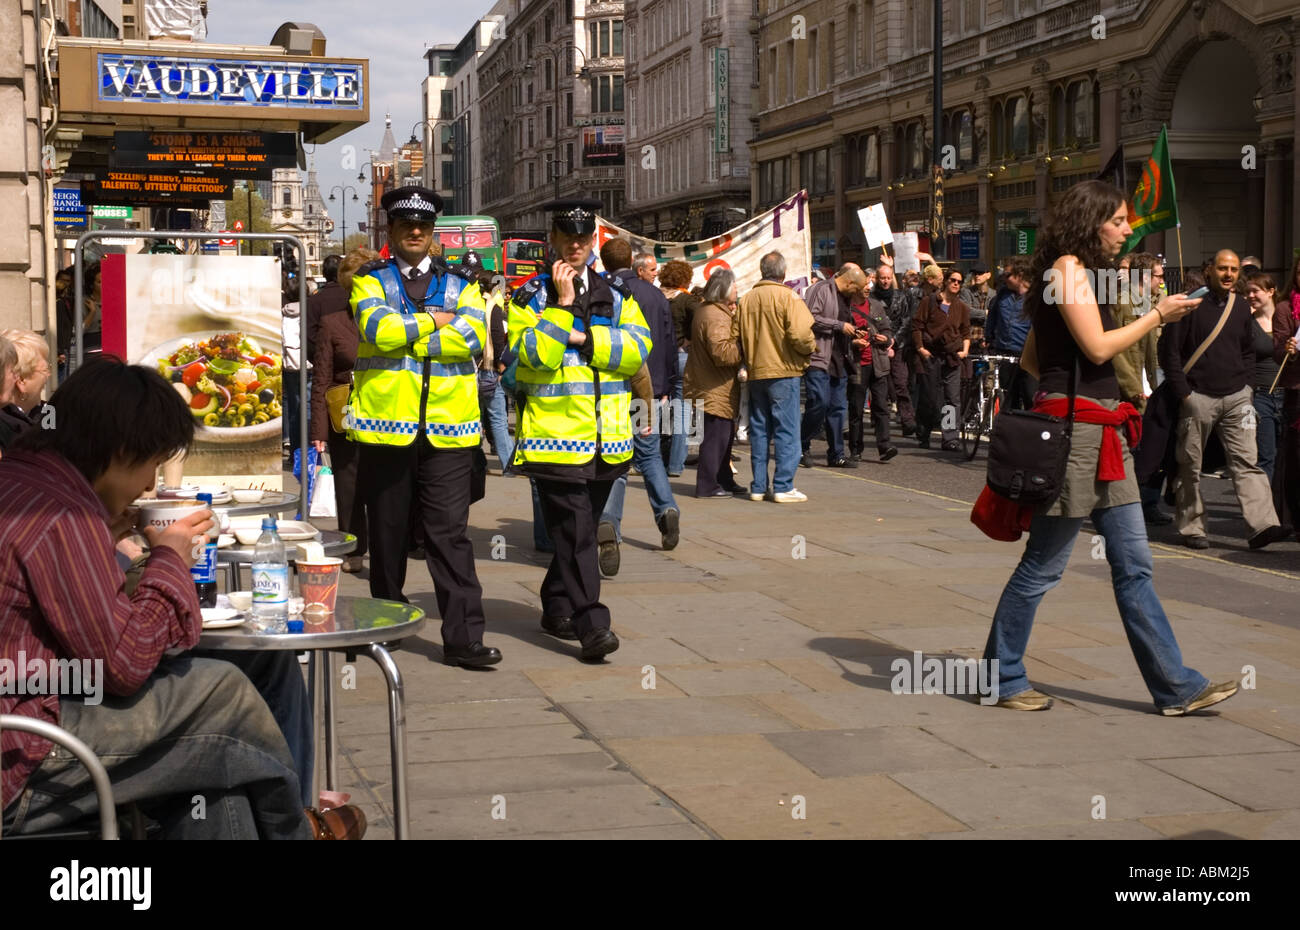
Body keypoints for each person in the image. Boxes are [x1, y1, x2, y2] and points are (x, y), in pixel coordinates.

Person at [0, 358, 365, 838]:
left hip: (53, 690)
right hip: (25, 749)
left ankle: (294, 823)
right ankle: (297, 829)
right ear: (122, 451)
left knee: (229, 748)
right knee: (222, 690)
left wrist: (112, 546)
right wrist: (170, 556)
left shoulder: (35, 481)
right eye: (151, 466)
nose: (150, 486)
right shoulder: (60, 513)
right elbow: (124, 665)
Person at [980, 179, 1238, 716]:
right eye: (1118, 220)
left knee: (1135, 565)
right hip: (1077, 436)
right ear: (1091, 219)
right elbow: (1096, 346)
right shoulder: (1068, 269)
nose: (1127, 230)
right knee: (1043, 568)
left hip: (1103, 434)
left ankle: (1176, 687)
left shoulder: (1077, 274)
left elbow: (1034, 359)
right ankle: (1000, 677)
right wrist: (1156, 316)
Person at [348, 186, 500, 669]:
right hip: (386, 429)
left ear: (432, 234)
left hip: (449, 432)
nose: (415, 232)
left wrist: (415, 331)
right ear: (391, 232)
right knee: (388, 536)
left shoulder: (462, 283)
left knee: (449, 534)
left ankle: (463, 638)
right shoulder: (369, 281)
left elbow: (475, 337)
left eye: (423, 226)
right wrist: (438, 322)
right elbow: (378, 331)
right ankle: (385, 625)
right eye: (405, 225)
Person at [507, 197, 650, 662]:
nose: (575, 246)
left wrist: (586, 339)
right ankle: (592, 623)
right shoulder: (529, 295)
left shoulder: (619, 293)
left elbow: (637, 350)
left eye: (583, 238)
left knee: (576, 534)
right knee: (578, 534)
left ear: (595, 240)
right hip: (554, 441)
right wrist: (563, 309)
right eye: (566, 239)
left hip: (607, 441)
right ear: (552, 241)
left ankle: (555, 604)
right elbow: (531, 357)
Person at [1160, 249, 1288, 551]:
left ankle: (1262, 526)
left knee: (1248, 462)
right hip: (1197, 397)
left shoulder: (1241, 308)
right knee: (1190, 466)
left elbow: (1247, 350)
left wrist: (1246, 386)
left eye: (1233, 269)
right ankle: (1193, 527)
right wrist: (1185, 394)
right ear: (1209, 271)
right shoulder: (1189, 305)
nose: (1229, 274)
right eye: (1222, 269)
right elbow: (1170, 353)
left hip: (1236, 398)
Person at [596, 243, 681, 567]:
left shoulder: (602, 291)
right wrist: (669, 384)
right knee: (649, 456)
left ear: (604, 261)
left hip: (614, 388)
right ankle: (666, 508)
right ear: (632, 262)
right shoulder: (656, 295)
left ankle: (609, 526)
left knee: (614, 460)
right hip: (651, 387)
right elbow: (669, 341)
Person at [310, 249, 378, 574]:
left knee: (382, 487)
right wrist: (318, 433)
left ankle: (386, 546)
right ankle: (353, 548)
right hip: (345, 414)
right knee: (349, 487)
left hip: (386, 412)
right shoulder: (332, 323)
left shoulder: (391, 320)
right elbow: (321, 379)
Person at [732, 251, 816, 503]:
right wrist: (810, 348)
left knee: (759, 429)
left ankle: (758, 486)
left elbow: (736, 335)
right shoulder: (788, 297)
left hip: (756, 370)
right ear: (783, 273)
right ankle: (783, 485)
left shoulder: (746, 300)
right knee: (786, 430)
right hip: (783, 370)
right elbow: (802, 335)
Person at [800, 264, 870, 469]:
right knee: (819, 403)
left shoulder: (847, 297)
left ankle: (836, 454)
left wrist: (854, 333)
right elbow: (810, 318)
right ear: (849, 282)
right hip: (818, 356)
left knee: (838, 408)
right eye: (856, 289)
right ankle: (801, 445)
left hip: (840, 358)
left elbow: (843, 323)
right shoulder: (820, 290)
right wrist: (839, 326)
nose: (858, 294)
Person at [685, 268, 745, 497]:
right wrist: (743, 347)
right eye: (735, 286)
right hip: (713, 386)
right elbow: (722, 353)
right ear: (725, 290)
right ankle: (708, 484)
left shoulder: (709, 310)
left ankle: (723, 480)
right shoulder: (714, 315)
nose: (737, 290)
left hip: (711, 383)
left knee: (724, 436)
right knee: (715, 438)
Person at [912, 267, 972, 451]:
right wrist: (921, 348)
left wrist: (965, 351)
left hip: (952, 357)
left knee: (952, 399)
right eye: (953, 280)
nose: (956, 284)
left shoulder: (961, 307)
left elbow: (966, 332)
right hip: (932, 355)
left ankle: (950, 438)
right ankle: (924, 433)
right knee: (929, 397)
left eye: (959, 282)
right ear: (945, 281)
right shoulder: (929, 302)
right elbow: (916, 326)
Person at [848, 286, 897, 463]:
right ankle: (855, 449)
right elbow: (842, 336)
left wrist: (886, 338)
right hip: (858, 365)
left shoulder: (876, 306)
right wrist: (854, 342)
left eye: (868, 287)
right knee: (856, 408)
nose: (867, 289)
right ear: (854, 288)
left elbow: (887, 329)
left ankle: (885, 447)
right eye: (863, 287)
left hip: (879, 363)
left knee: (881, 407)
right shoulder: (846, 307)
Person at [659, 259, 700, 467]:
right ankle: (675, 463)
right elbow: (700, 322)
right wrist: (688, 341)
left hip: (657, 358)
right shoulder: (687, 301)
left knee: (654, 406)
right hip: (681, 355)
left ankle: (647, 459)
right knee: (682, 409)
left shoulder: (655, 297)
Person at [1244, 273, 1284, 483]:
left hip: (1289, 394)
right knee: (1265, 457)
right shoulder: (1247, 324)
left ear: (1270, 291)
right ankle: (1263, 510)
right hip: (1259, 396)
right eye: (1247, 291)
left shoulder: (1287, 317)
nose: (1250, 295)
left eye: (1255, 291)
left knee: (1287, 456)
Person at [984, 255, 1035, 411]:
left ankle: (1030, 431)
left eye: (1007, 275)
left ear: (1020, 275)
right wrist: (989, 338)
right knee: (1007, 396)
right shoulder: (1002, 294)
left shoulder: (1035, 297)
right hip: (1004, 352)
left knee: (1030, 395)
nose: (1003, 278)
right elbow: (992, 317)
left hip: (1028, 354)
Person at [872, 263, 917, 439]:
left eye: (888, 278)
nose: (885, 281)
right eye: (882, 278)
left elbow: (907, 320)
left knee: (901, 383)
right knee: (879, 385)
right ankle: (879, 421)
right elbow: (871, 320)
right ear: (877, 278)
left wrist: (894, 340)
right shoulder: (872, 298)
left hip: (898, 345)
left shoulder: (901, 296)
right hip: (877, 344)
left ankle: (908, 420)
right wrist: (882, 339)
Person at [1272, 258, 1300, 538]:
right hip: (1296, 390)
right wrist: (1289, 349)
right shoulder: (1284, 308)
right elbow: (1277, 352)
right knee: (1294, 456)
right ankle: (1292, 516)